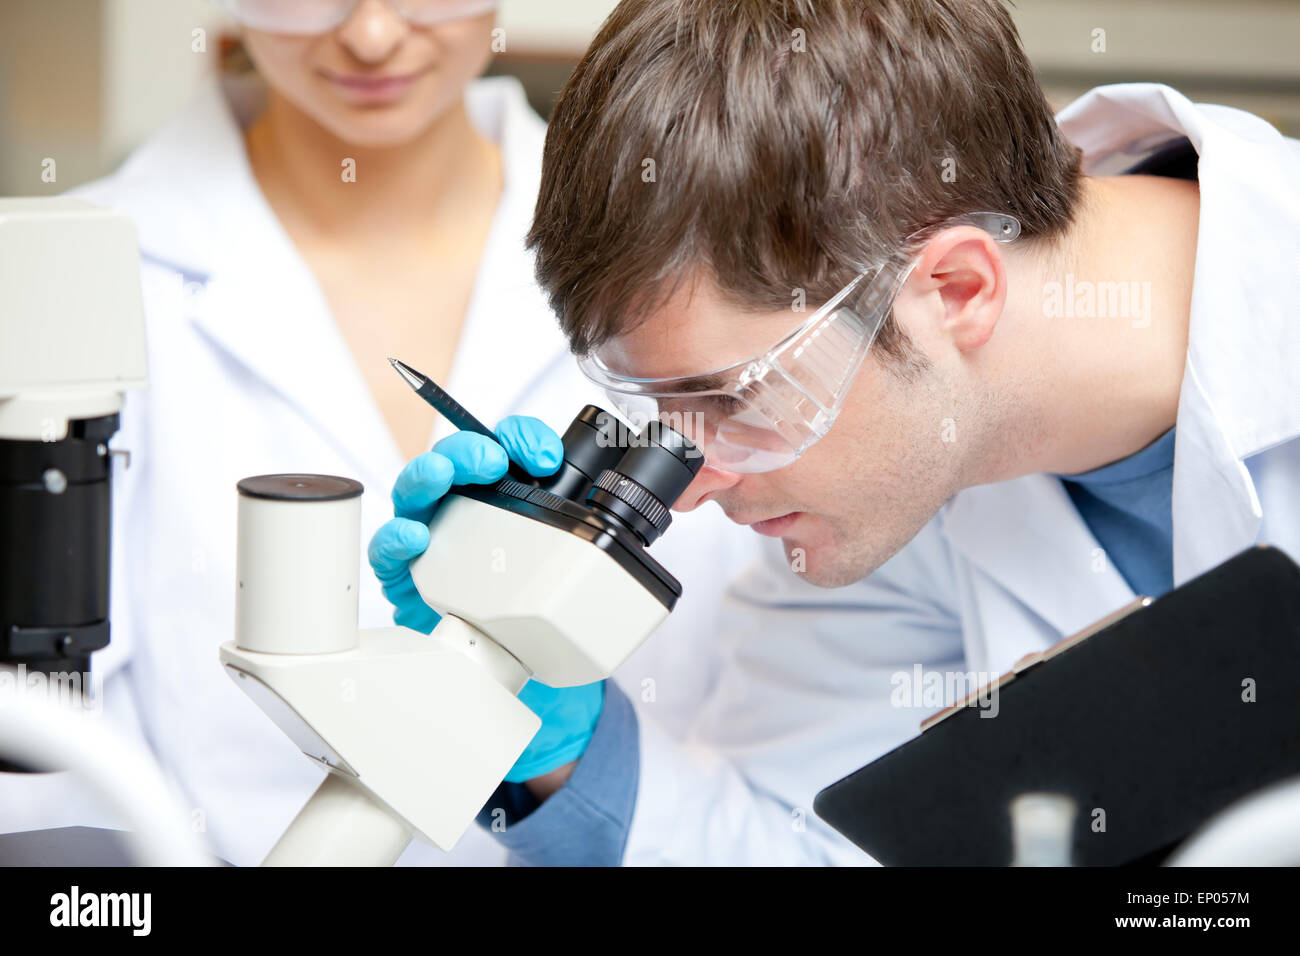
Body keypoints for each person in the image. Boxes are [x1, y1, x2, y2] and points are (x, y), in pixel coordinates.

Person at [372, 0, 1300, 864]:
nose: (692, 487)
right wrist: (555, 753)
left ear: (957, 289)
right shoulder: (887, 492)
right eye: (665, 414)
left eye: (733, 397)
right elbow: (800, 842)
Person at [0, 0, 759, 866]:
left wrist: (566, 761)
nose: (369, 34)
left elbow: (779, 766)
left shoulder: (696, 250)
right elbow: (51, 759)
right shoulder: (75, 270)